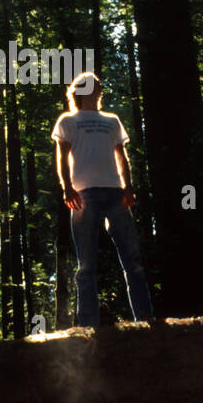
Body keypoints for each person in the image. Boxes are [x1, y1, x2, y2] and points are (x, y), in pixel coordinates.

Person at [51, 71, 153, 329]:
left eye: (99, 85)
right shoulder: (67, 121)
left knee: (133, 260)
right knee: (86, 265)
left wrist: (128, 187)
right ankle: (88, 327)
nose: (98, 87)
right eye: (93, 85)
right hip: (84, 195)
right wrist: (67, 189)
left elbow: (122, 157)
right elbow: (62, 158)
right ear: (81, 91)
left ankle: (145, 320)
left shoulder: (112, 120)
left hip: (115, 194)